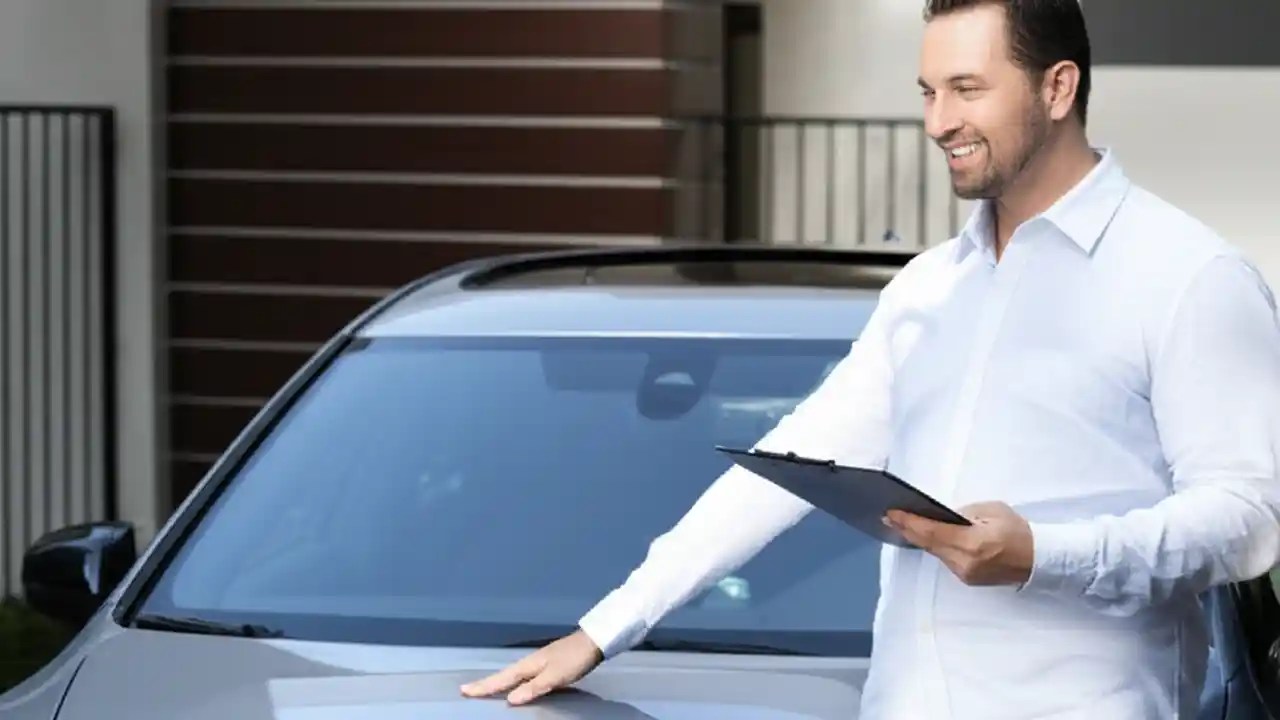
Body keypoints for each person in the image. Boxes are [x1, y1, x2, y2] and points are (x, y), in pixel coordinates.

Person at [460, 0, 1280, 717]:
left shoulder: (1189, 277)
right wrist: (607, 628)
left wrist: (1042, 555)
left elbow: (1247, 520)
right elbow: (786, 466)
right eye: (928, 92)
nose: (938, 122)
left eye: (967, 89)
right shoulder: (927, 288)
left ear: (1058, 88)